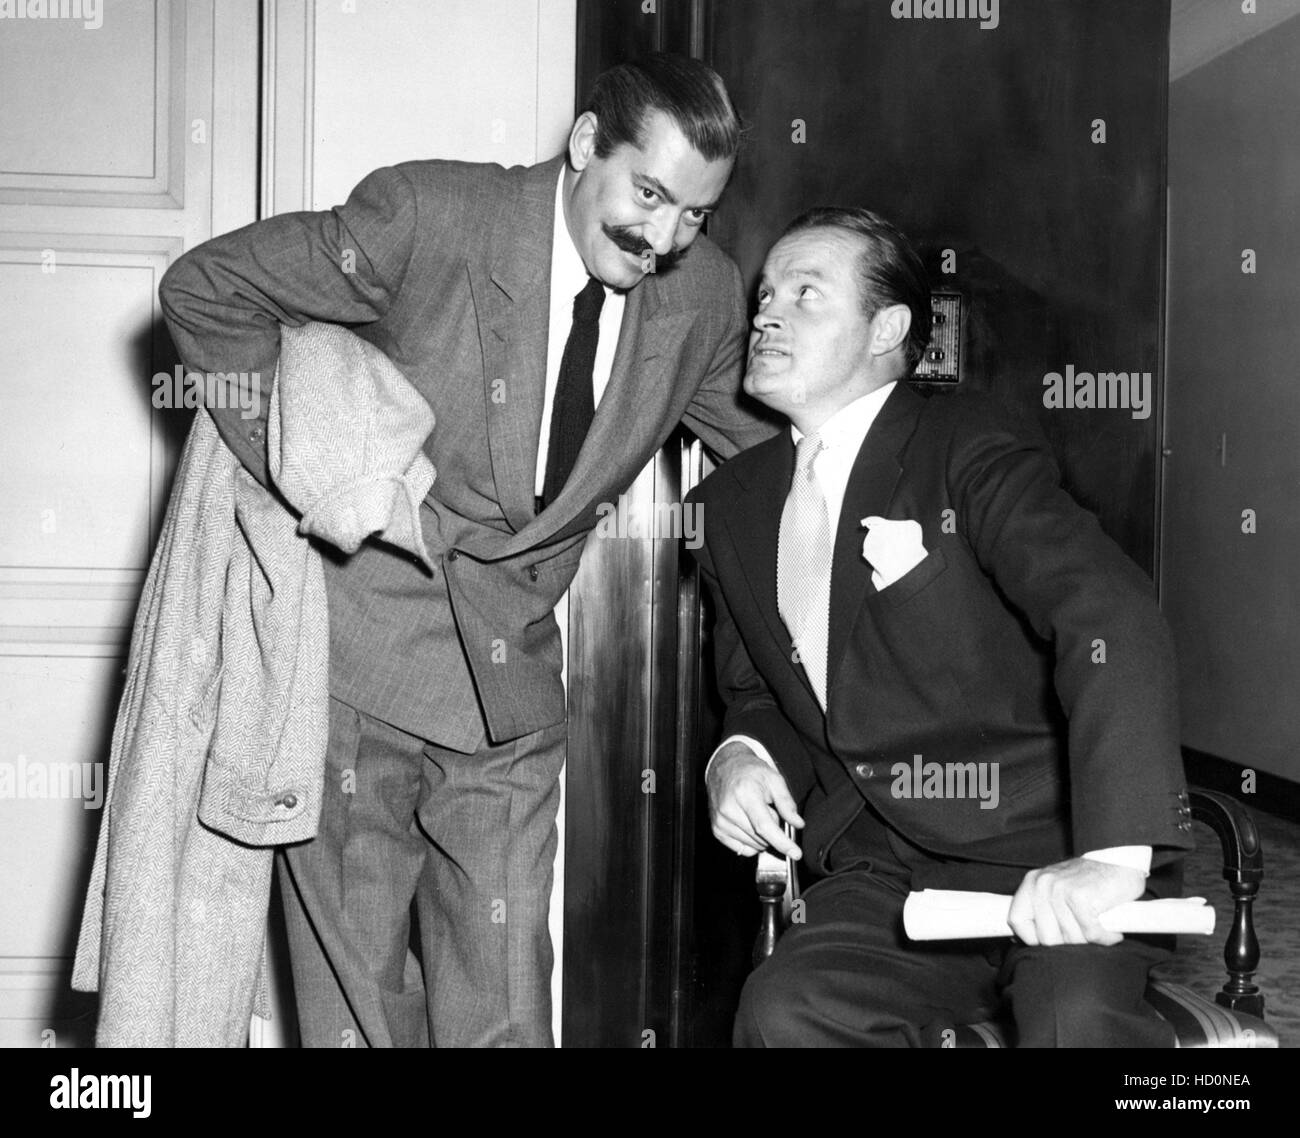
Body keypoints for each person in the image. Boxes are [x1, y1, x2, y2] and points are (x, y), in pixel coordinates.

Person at [158, 53, 773, 1048]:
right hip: (356, 670)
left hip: (512, 690)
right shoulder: (430, 215)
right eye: (649, 194)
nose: (663, 239)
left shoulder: (702, 298)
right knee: (357, 1002)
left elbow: (767, 456)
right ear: (584, 147)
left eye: (694, 215)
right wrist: (325, 471)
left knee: (504, 997)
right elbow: (205, 291)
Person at [687, 206, 1194, 1047]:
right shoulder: (729, 507)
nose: (767, 312)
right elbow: (755, 690)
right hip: (879, 869)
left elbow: (1110, 614)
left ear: (887, 327)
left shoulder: (967, 441)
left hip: (1045, 849)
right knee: (783, 1013)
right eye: (767, 292)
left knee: (1075, 1023)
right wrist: (737, 755)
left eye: (807, 293)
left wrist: (1113, 857)